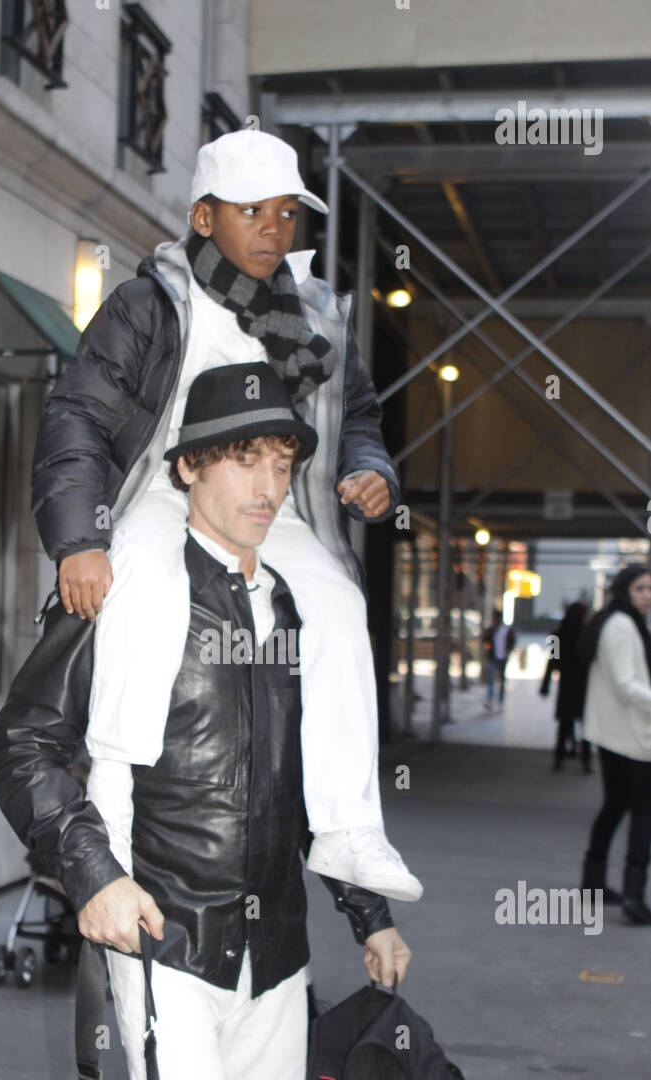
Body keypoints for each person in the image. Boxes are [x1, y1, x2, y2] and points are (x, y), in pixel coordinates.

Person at [0, 364, 414, 1080]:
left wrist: (365, 909)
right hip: (166, 935)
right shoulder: (127, 591)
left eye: (280, 462)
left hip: (277, 950)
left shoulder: (297, 611)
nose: (266, 487)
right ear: (187, 469)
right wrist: (93, 873)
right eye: (242, 461)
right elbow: (22, 745)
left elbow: (312, 785)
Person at [29, 126, 422, 902]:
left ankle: (348, 828)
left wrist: (367, 470)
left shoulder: (317, 314)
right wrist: (79, 539)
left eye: (286, 213)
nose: (274, 230)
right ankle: (112, 796)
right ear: (204, 219)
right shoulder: (149, 303)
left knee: (340, 605)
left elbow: (362, 417)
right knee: (142, 585)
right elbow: (76, 415)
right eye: (252, 212)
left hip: (267, 501)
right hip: (158, 492)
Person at [580, 563, 651, 923]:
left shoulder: (616, 620)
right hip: (630, 737)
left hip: (615, 734)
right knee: (643, 812)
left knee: (616, 806)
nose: (647, 596)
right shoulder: (622, 626)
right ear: (625, 590)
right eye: (640, 588)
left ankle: (593, 883)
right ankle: (634, 894)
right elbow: (626, 684)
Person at [539, 601, 592, 771]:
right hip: (584, 685)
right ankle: (586, 761)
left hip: (567, 685)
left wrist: (545, 684)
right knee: (586, 726)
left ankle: (559, 759)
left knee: (564, 723)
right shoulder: (588, 634)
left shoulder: (557, 635)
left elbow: (551, 661)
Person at [482, 608, 516, 711]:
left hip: (503, 658)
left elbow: (512, 642)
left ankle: (500, 701)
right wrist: (488, 647)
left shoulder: (506, 630)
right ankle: (490, 700)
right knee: (491, 680)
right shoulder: (491, 630)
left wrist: (507, 652)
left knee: (501, 680)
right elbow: (485, 640)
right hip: (492, 657)